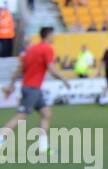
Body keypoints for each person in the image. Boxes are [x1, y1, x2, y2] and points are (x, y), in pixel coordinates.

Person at [1, 26, 71, 155]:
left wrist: (11, 84)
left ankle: (43, 147)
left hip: (32, 88)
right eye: (53, 35)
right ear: (48, 35)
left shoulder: (31, 49)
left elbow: (20, 69)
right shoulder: (47, 49)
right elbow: (51, 68)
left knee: (46, 113)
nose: (54, 37)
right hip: (32, 88)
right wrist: (64, 79)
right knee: (21, 116)